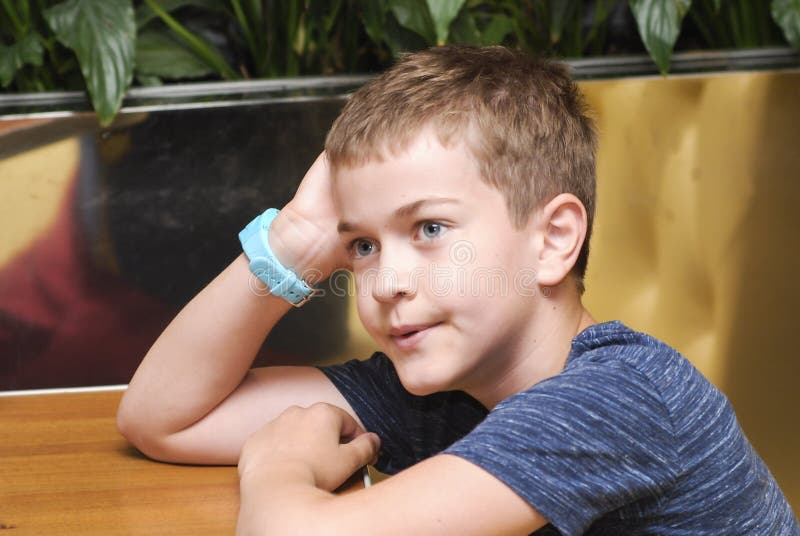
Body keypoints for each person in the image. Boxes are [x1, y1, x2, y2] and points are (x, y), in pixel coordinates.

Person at [116, 46, 798, 535]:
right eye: (362, 245)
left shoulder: (617, 398)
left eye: (431, 227)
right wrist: (294, 240)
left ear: (554, 239)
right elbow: (161, 417)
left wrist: (278, 470)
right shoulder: (445, 395)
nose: (386, 282)